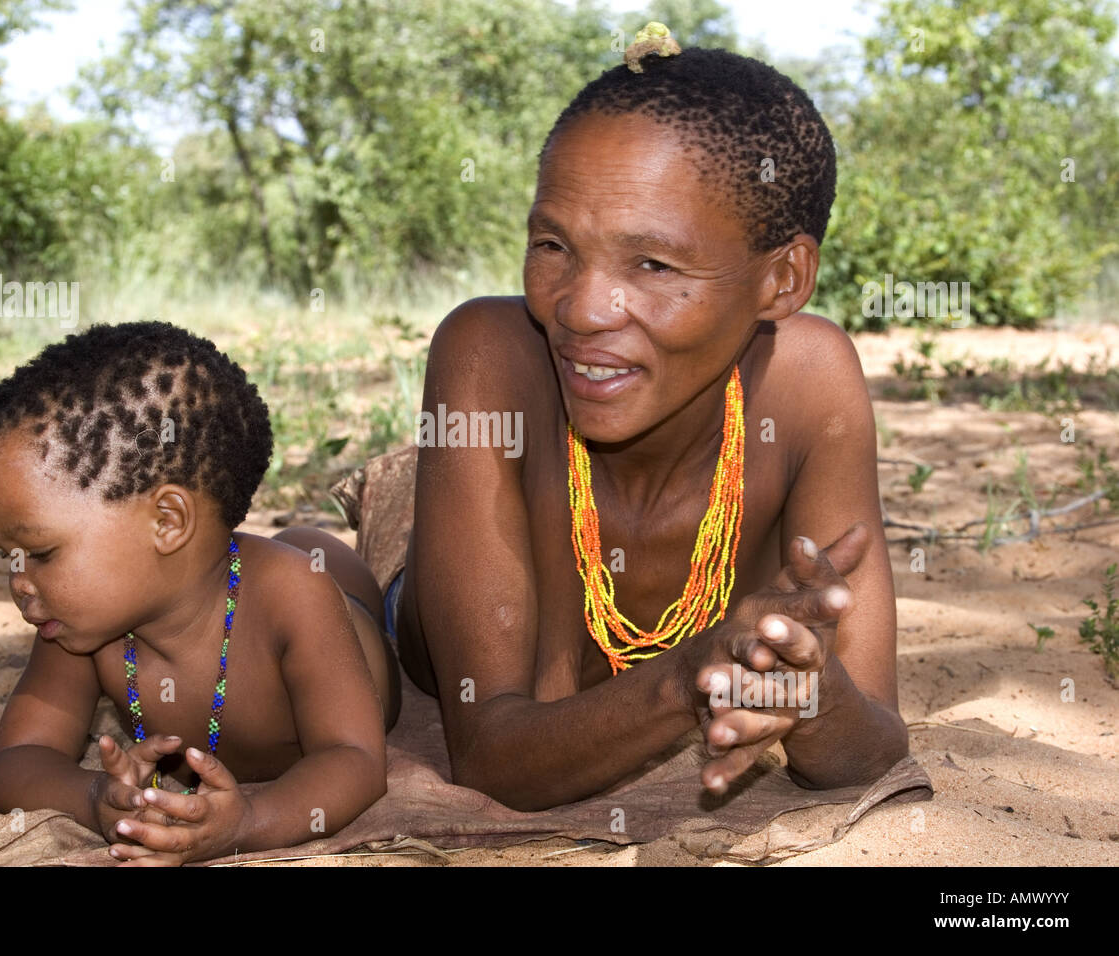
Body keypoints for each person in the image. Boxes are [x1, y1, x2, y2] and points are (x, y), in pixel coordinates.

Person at [388, 29, 909, 811]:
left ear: (782, 280)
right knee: (339, 607)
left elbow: (871, 743)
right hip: (423, 600)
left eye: (654, 265)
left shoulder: (809, 385)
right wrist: (686, 677)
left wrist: (816, 698)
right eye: (553, 244)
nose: (582, 307)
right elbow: (493, 758)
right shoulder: (491, 358)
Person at [0, 320, 399, 865]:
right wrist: (94, 795)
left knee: (332, 568)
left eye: (41, 553)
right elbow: (15, 763)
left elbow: (354, 759)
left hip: (342, 605)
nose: (19, 582)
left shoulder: (296, 600)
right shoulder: (76, 629)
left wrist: (249, 823)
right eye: (9, 557)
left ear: (167, 521)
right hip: (236, 570)